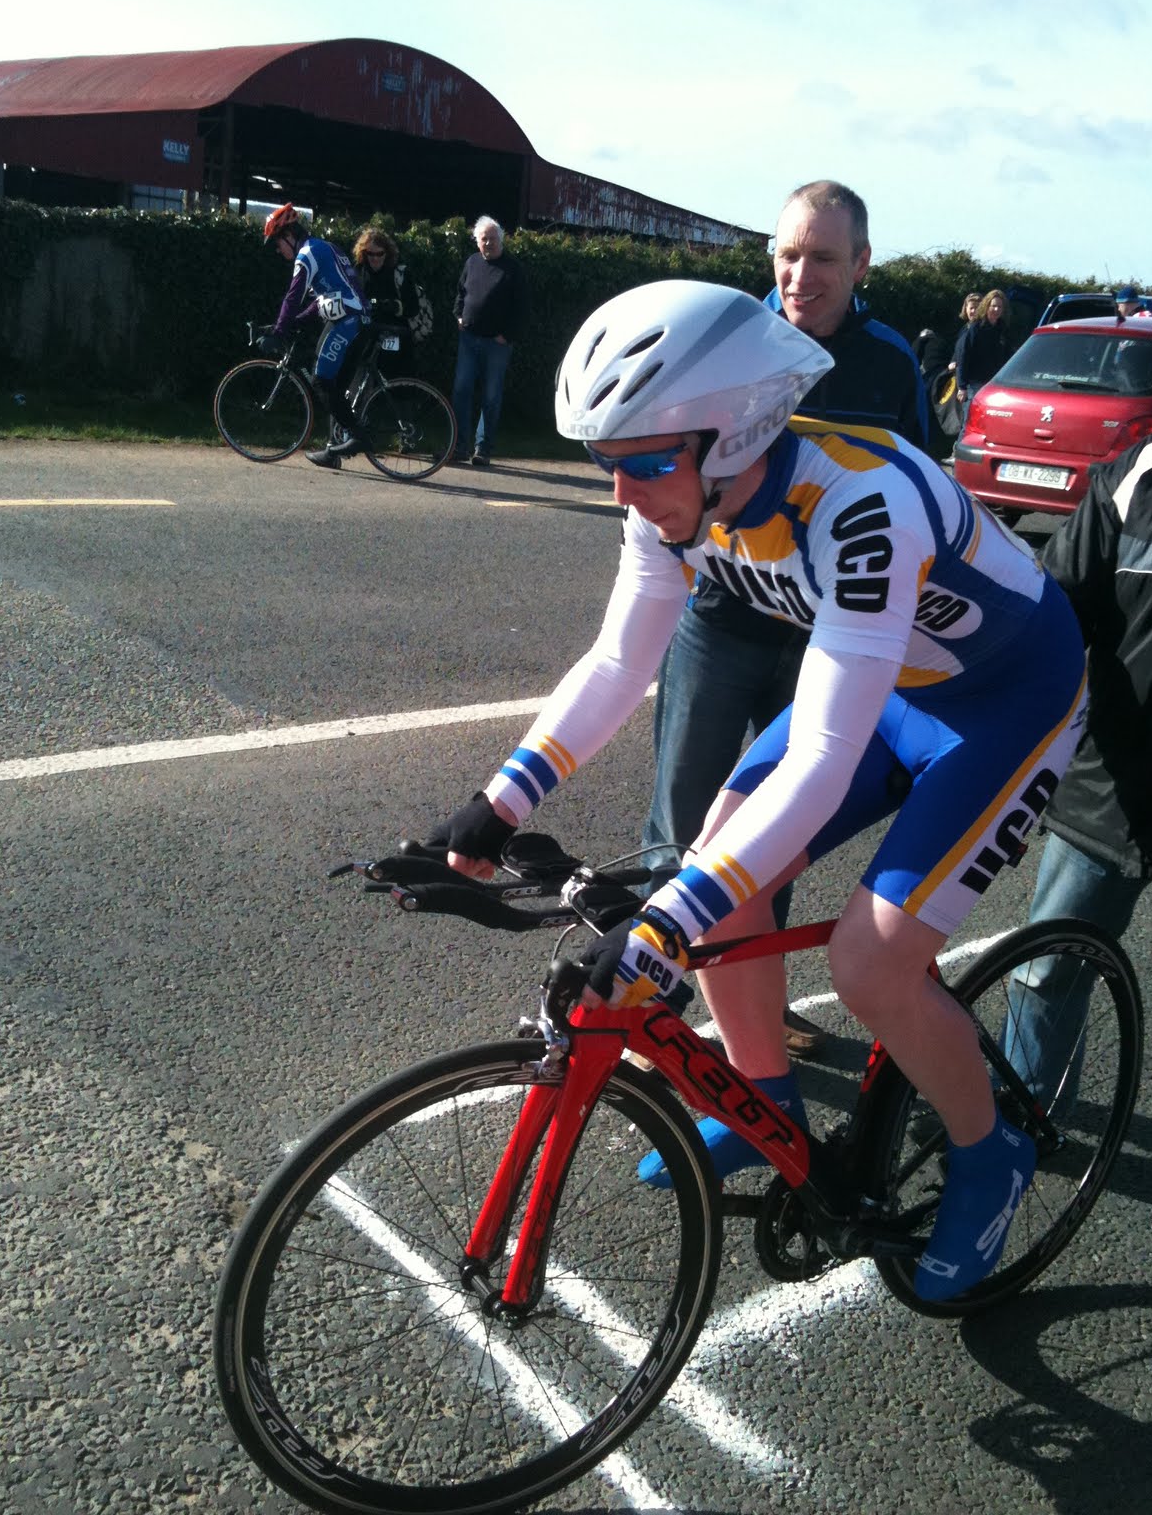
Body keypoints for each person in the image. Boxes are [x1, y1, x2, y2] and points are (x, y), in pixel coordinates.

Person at [427, 279, 1085, 1301]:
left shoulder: (860, 502)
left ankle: (991, 1151)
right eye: (607, 463)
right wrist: (499, 801)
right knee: (723, 861)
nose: (621, 493)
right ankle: (756, 1095)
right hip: (892, 682)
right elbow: (617, 663)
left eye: (641, 463)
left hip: (1008, 699)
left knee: (871, 963)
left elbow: (823, 754)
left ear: (729, 437)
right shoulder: (681, 485)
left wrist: (665, 924)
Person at [643, 179, 929, 1058]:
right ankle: (650, 991)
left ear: (862, 265)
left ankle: (753, 997)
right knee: (684, 814)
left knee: (780, 818)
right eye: (788, 255)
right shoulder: (730, 342)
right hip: (724, 620)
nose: (801, 275)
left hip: (824, 637)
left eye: (825, 259)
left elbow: (922, 487)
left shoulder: (890, 363)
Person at [1004, 433, 1152, 1107]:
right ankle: (1024, 1113)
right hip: (1116, 782)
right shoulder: (1140, 477)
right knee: (1046, 967)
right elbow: (1053, 608)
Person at [254, 204, 372, 472]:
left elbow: (293, 296)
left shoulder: (306, 255)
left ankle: (359, 436)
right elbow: (322, 302)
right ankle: (333, 451)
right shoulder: (323, 247)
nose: (277, 250)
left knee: (321, 380)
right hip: (355, 320)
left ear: (288, 235)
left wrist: (280, 332)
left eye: (276, 243)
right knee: (332, 389)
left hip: (349, 322)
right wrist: (288, 323)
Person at [451, 216, 528, 467]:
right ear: (477, 241)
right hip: (469, 338)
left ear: (501, 240)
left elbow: (521, 307)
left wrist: (507, 335)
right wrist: (459, 315)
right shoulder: (472, 262)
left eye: (492, 238)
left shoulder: (513, 268)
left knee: (491, 396)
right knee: (461, 390)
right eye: (483, 239)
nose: (488, 243)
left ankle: (482, 448)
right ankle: (459, 445)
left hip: (497, 344)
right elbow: (461, 292)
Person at [352, 226, 422, 339]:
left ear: (387, 253)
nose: (375, 258)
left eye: (379, 254)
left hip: (395, 334)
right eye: (370, 253)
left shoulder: (400, 273)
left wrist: (394, 306)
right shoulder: (358, 271)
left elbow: (413, 308)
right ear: (364, 253)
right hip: (366, 336)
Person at [955, 288, 1012, 405]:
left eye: (999, 307)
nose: (996, 309)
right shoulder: (975, 328)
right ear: (986, 306)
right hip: (974, 384)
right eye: (993, 306)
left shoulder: (1003, 330)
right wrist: (962, 386)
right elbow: (963, 356)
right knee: (970, 420)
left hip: (995, 384)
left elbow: (1008, 357)